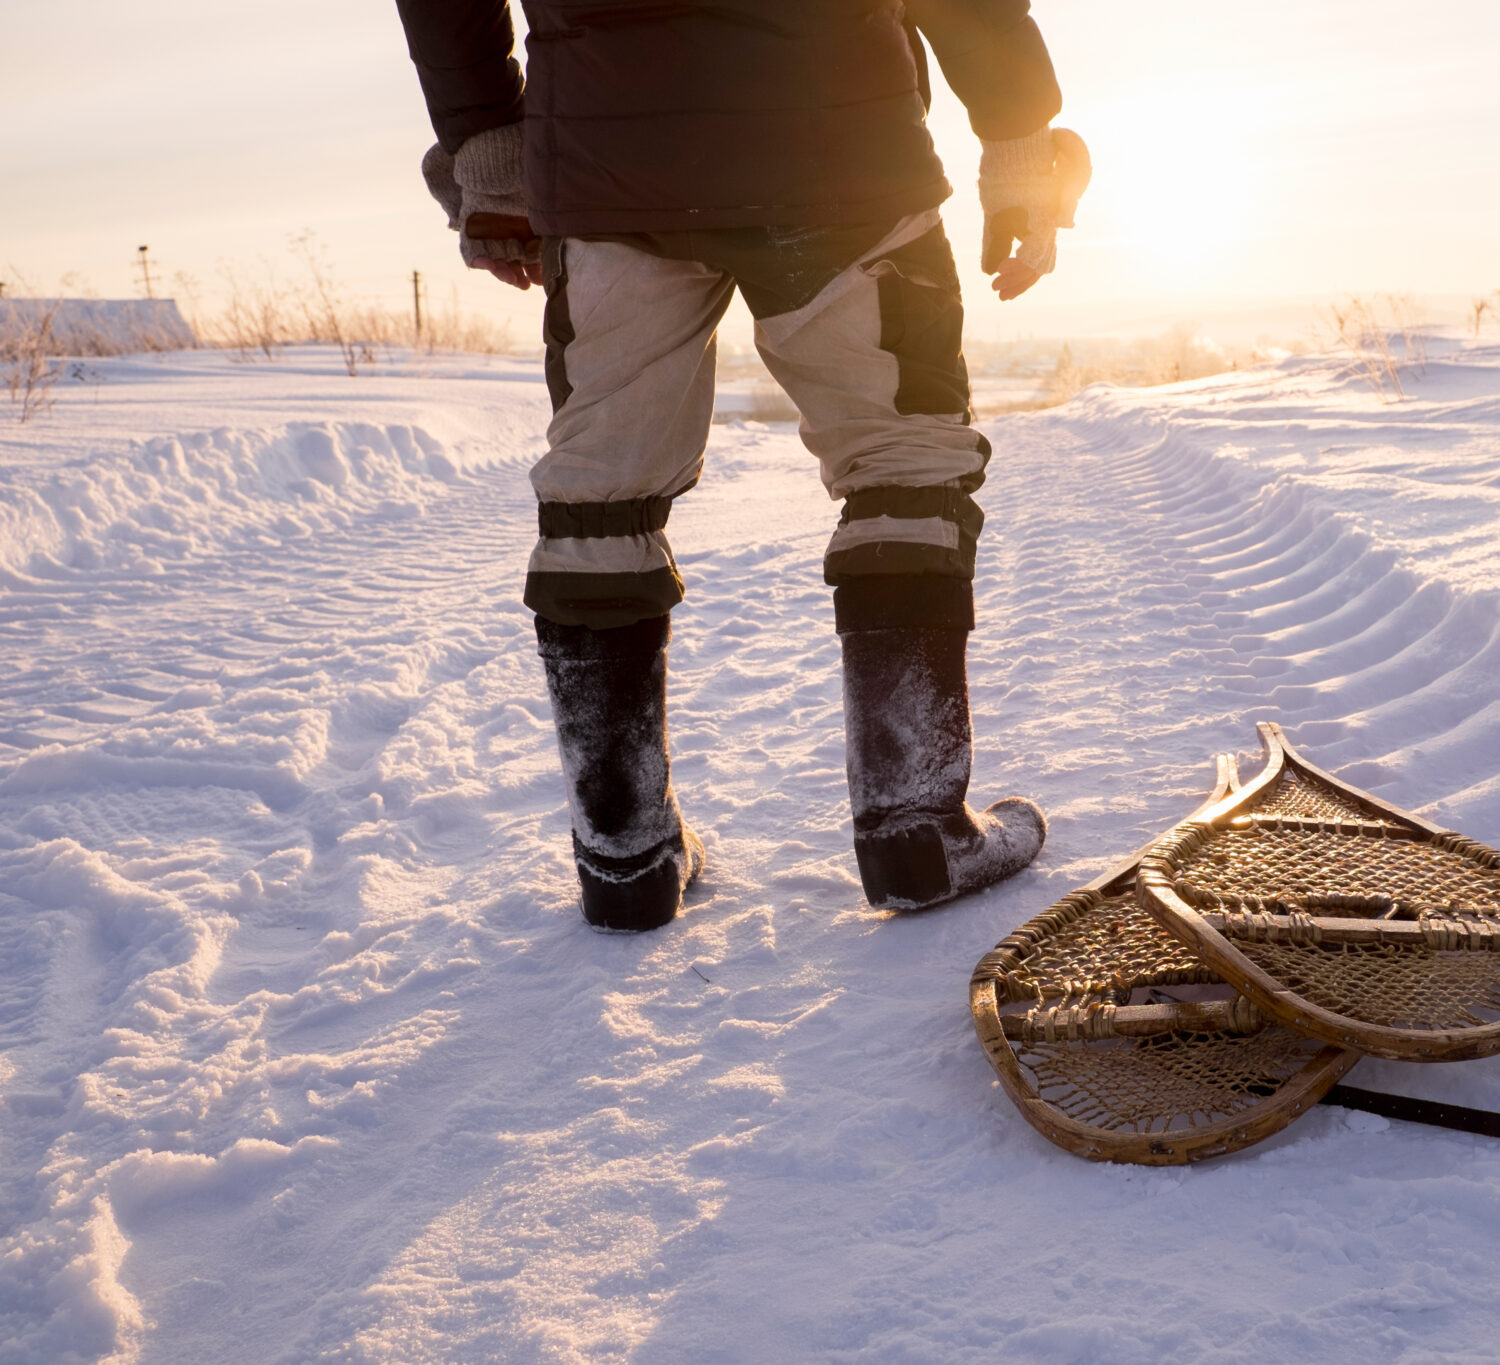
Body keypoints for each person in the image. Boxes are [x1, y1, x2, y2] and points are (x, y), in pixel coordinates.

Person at [393, 1, 1090, 930]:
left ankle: (624, 855)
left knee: (601, 497)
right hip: (841, 141)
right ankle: (915, 826)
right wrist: (1018, 143)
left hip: (609, 160)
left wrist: (491, 150)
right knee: (903, 464)